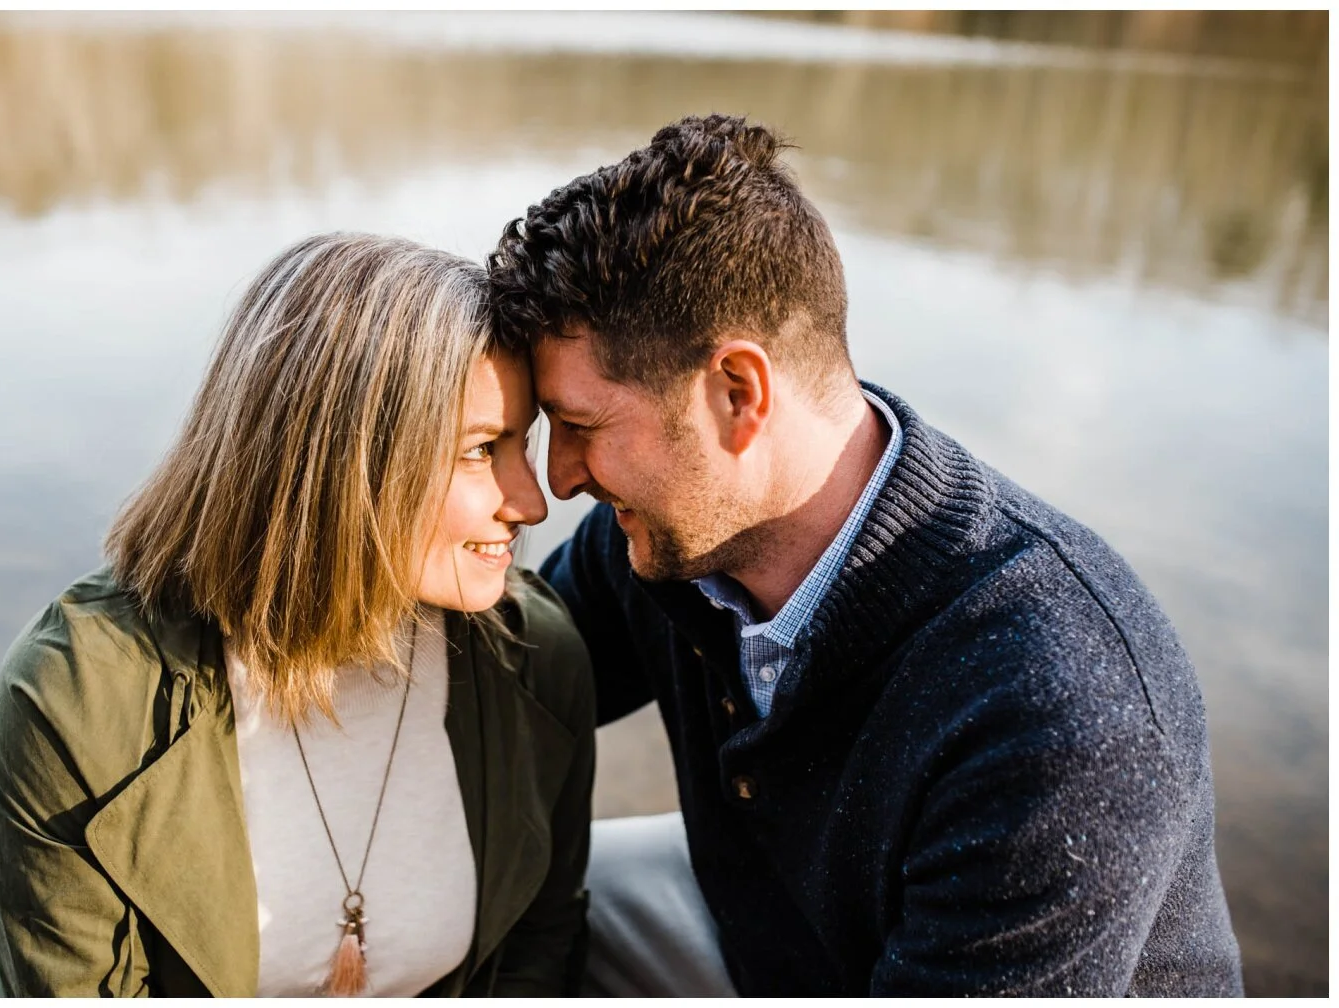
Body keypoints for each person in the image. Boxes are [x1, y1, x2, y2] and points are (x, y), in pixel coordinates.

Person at [487, 114, 1243, 996]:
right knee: (473, 917)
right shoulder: (665, 539)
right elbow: (499, 675)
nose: (561, 479)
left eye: (580, 426)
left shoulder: (1056, 714)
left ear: (738, 393)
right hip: (765, 942)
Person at [0, 233, 595, 997]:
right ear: (341, 461)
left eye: (521, 444)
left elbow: (538, 946)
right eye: (481, 450)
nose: (531, 503)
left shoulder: (532, 656)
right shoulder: (81, 696)